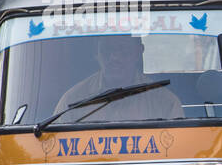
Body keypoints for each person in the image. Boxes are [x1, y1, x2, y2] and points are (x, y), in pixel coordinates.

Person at [54, 34, 183, 122]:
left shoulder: (165, 103)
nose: (114, 58)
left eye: (123, 50)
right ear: (96, 53)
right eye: (107, 50)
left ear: (138, 52)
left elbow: (178, 148)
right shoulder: (71, 101)